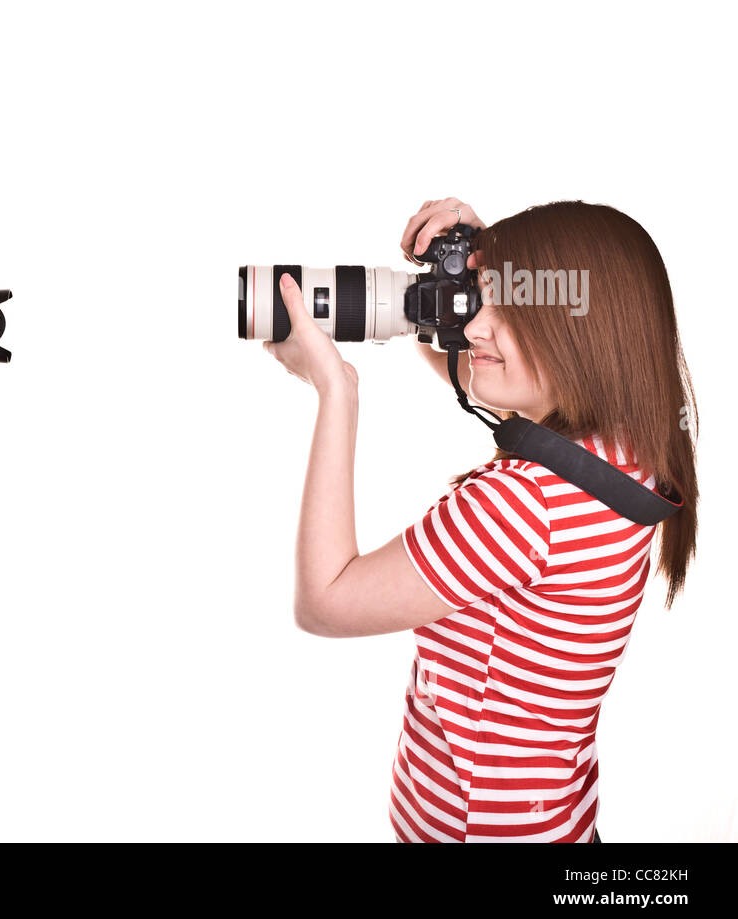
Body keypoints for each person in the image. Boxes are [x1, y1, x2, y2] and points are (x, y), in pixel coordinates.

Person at [263, 197, 698, 842]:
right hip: (551, 825)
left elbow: (325, 603)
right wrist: (461, 275)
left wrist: (336, 389)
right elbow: (493, 367)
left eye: (511, 310)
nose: (471, 328)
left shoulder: (521, 507)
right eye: (481, 300)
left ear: (583, 333)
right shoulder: (623, 452)